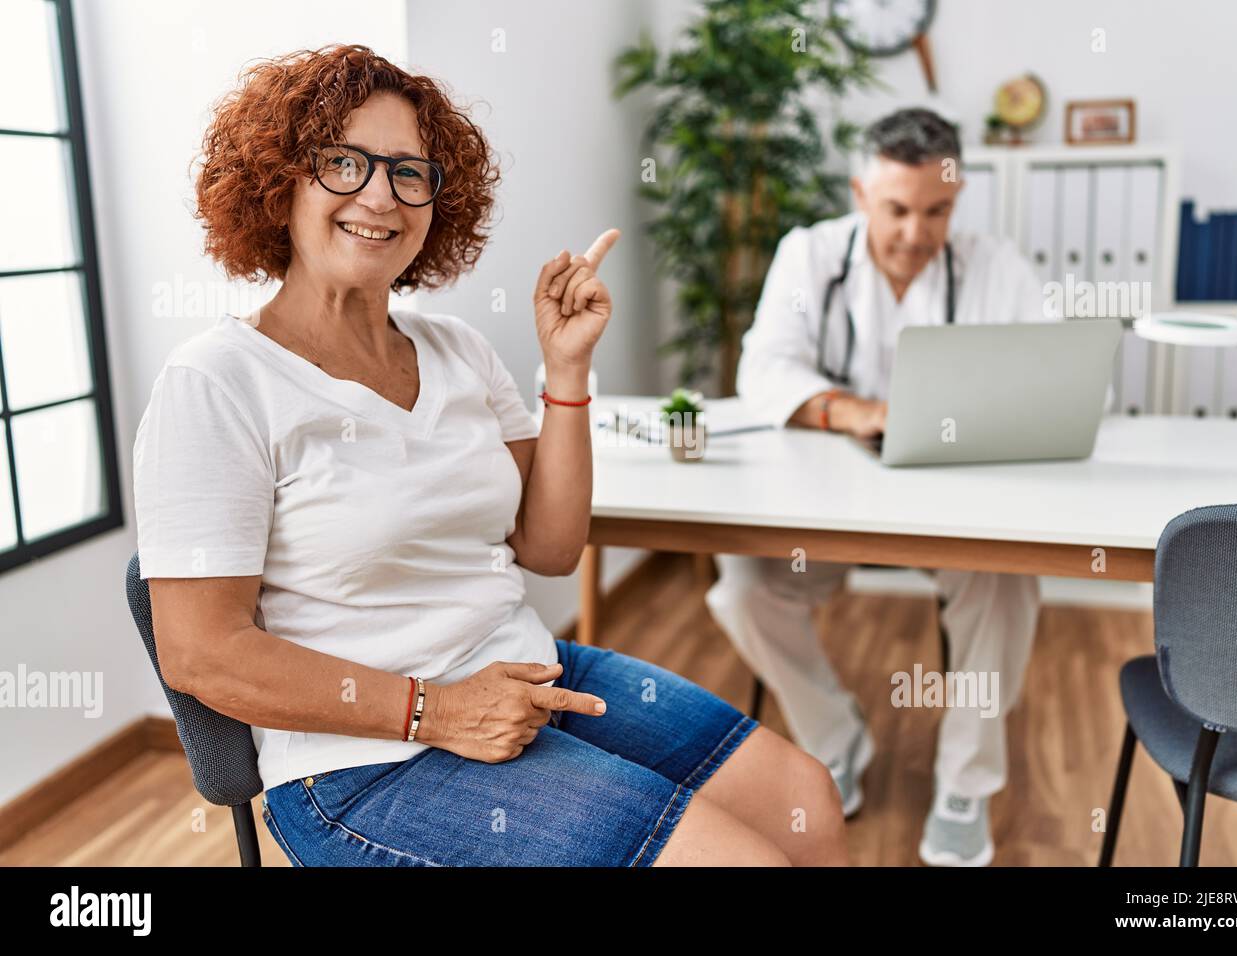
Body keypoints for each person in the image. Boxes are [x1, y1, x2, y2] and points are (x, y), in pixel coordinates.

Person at [134, 44, 847, 867]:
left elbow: (548, 548)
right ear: (279, 181)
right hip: (363, 762)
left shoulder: (456, 348)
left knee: (807, 803)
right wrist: (435, 711)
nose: (380, 195)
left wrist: (568, 371)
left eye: (410, 172)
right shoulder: (217, 383)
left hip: (524, 674)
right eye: (343, 163)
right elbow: (202, 652)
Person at [705, 108, 1058, 867]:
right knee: (743, 587)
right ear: (862, 192)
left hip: (956, 513)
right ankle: (837, 738)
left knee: (1004, 584)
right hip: (825, 515)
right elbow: (763, 369)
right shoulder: (810, 254)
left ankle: (966, 783)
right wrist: (856, 411)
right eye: (896, 209)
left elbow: (1051, 373)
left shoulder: (995, 266)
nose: (914, 232)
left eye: (938, 211)